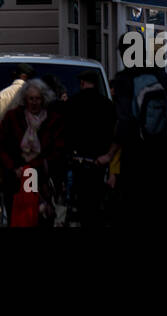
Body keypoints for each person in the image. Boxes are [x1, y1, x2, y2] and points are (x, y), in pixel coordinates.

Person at [108, 63, 167, 226]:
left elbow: (123, 124)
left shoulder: (124, 79)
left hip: (135, 158)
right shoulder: (163, 77)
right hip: (164, 157)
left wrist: (110, 155)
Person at [0, 78, 67, 227]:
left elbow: (59, 149)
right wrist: (11, 167)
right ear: (25, 99)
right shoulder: (13, 117)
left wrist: (42, 165)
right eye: (31, 99)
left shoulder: (53, 120)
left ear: (43, 99)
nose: (34, 103)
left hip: (43, 182)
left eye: (38, 99)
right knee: (18, 219)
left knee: (42, 220)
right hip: (16, 181)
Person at [62, 69, 116, 227]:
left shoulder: (73, 103)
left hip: (78, 160)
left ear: (82, 83)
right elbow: (113, 132)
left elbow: (67, 133)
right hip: (100, 160)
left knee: (79, 203)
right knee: (96, 202)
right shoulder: (107, 105)